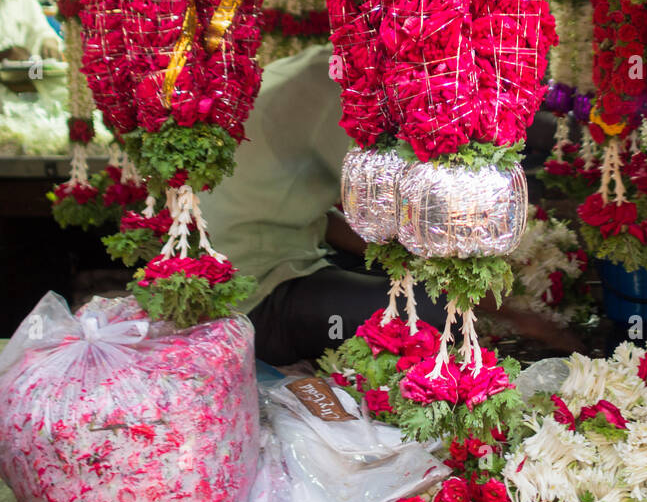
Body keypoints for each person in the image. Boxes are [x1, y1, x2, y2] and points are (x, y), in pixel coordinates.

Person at [200, 44, 580, 365]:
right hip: (252, 301)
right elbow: (402, 217)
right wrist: (509, 314)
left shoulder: (313, 67)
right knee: (435, 313)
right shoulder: (337, 93)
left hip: (257, 261)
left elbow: (335, 222)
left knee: (413, 280)